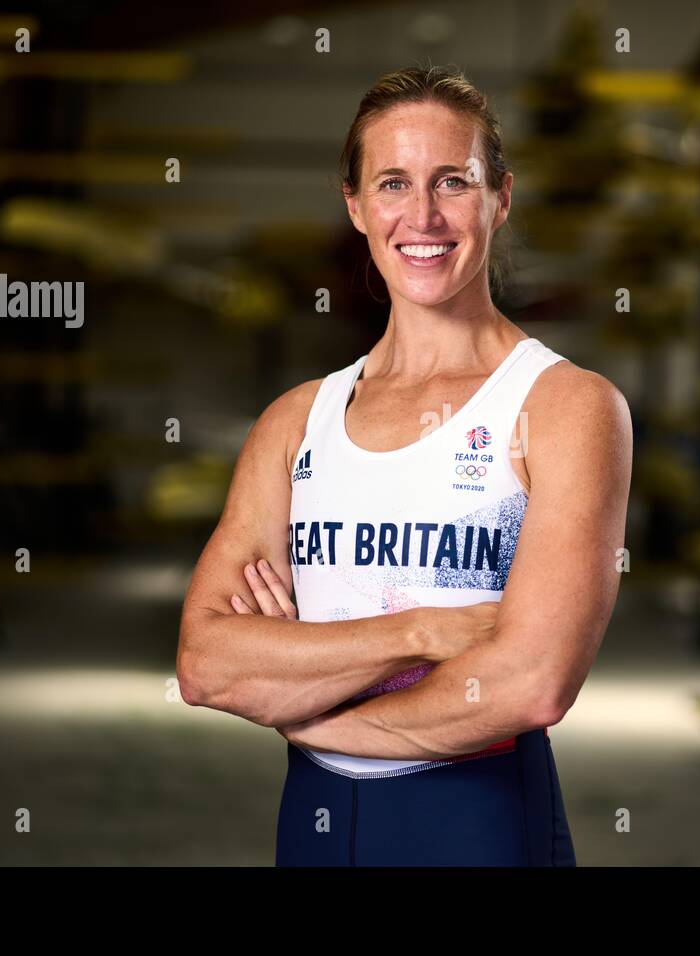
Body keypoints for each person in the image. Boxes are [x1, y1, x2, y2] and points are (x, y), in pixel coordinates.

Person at [176, 64, 632, 866]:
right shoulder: (296, 423)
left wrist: (315, 710)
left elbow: (532, 683)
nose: (422, 216)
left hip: (476, 824)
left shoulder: (564, 409)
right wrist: (425, 632)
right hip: (315, 823)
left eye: (453, 181)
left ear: (501, 197)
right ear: (354, 204)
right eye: (392, 183)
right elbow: (209, 664)